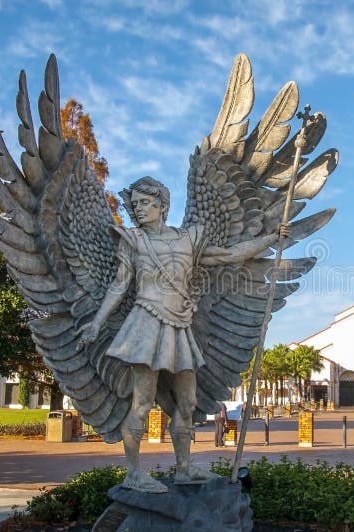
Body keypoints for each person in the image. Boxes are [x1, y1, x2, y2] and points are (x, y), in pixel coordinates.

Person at [79, 176, 286, 493]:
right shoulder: (132, 240)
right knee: (142, 402)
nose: (138, 209)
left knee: (187, 403)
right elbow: (120, 285)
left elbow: (229, 255)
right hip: (145, 322)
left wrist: (272, 237)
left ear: (162, 205)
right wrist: (96, 323)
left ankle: (184, 470)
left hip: (179, 325)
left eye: (145, 203)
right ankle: (134, 473)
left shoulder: (187, 239)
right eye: (134, 204)